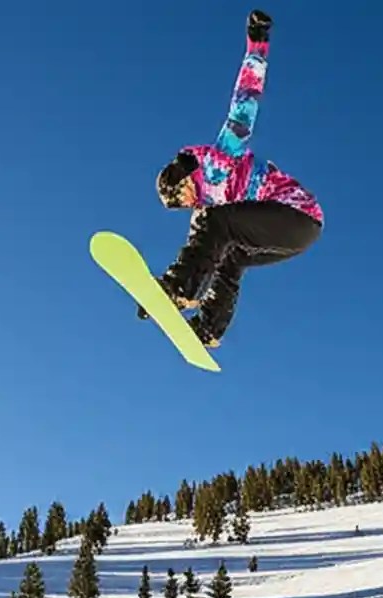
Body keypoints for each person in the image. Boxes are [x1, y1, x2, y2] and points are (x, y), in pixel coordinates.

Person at [141, 9, 324, 348]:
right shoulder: (208, 210)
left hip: (296, 214)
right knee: (230, 253)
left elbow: (247, 97)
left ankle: (180, 289)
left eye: (178, 196)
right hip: (294, 237)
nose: (185, 205)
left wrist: (258, 44)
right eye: (176, 205)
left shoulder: (223, 152)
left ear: (184, 177)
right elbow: (203, 250)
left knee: (216, 224)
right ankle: (209, 328)